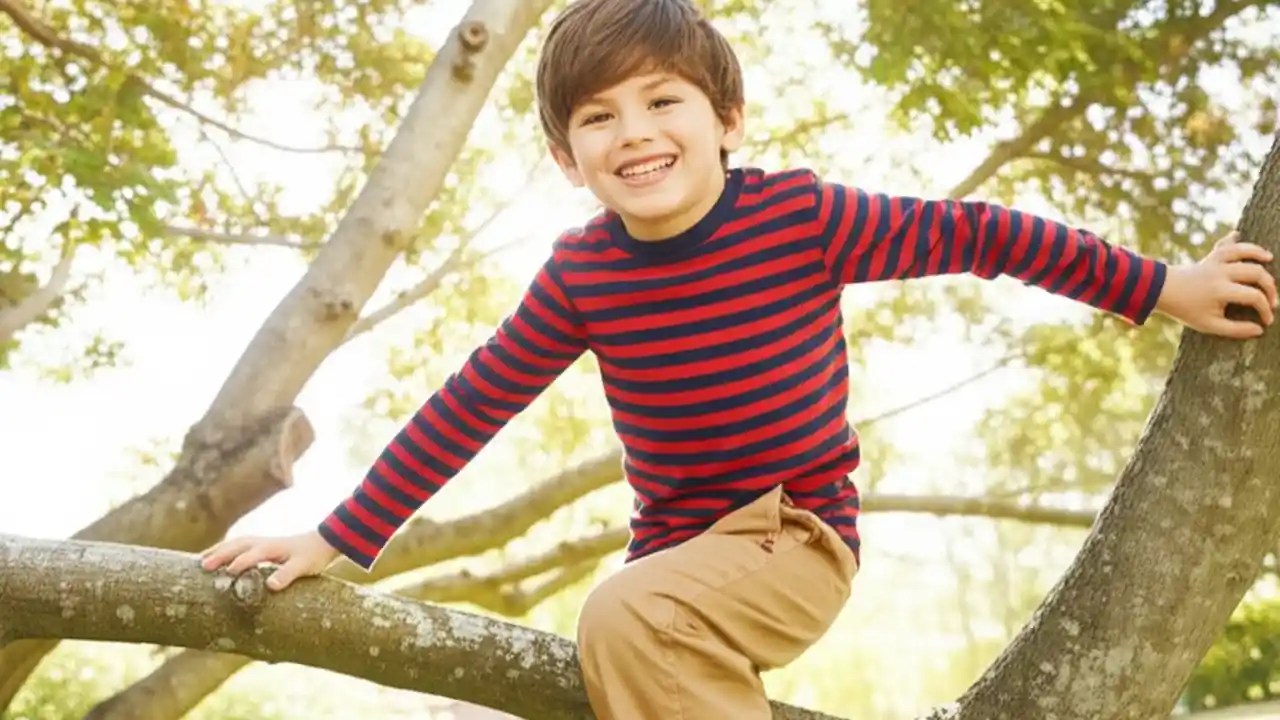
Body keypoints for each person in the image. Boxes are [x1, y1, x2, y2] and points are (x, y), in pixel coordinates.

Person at [201, 0, 1279, 716]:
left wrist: (1159, 286)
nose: (633, 131)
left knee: (617, 619)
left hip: (795, 539)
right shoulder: (582, 277)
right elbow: (471, 404)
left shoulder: (802, 220)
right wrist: (341, 537)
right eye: (597, 116)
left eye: (661, 100)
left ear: (725, 119)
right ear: (565, 160)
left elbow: (983, 233)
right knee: (628, 636)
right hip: (673, 562)